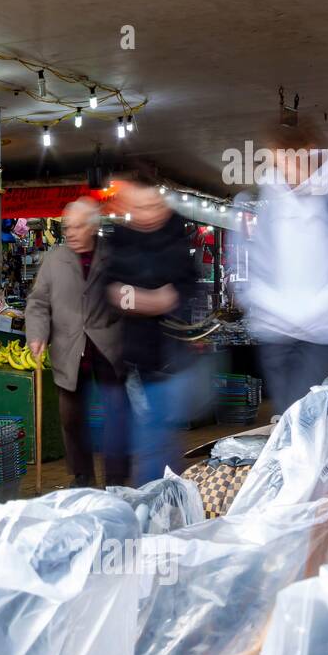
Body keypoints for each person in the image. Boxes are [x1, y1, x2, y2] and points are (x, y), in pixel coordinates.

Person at [234, 125, 328, 413]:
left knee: (310, 423)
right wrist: (266, 305)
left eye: (288, 158)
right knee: (288, 420)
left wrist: (311, 309)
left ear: (309, 153)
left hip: (325, 336)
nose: (283, 166)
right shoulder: (260, 200)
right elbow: (245, 265)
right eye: (277, 159)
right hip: (275, 336)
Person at [25, 198, 129, 488]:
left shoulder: (113, 256)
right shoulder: (54, 259)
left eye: (77, 226)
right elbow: (37, 303)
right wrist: (36, 333)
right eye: (66, 227)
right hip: (69, 349)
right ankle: (81, 475)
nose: (70, 232)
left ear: (93, 227)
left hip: (107, 347)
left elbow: (130, 299)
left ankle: (117, 477)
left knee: (117, 412)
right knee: (71, 418)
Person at [105, 179, 198, 484]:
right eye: (140, 207)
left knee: (161, 439)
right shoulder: (120, 241)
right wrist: (153, 299)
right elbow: (114, 294)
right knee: (151, 440)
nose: (148, 213)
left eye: (153, 205)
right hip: (140, 361)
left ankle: (166, 502)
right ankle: (158, 502)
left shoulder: (177, 237)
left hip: (177, 360)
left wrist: (140, 298)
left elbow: (181, 293)